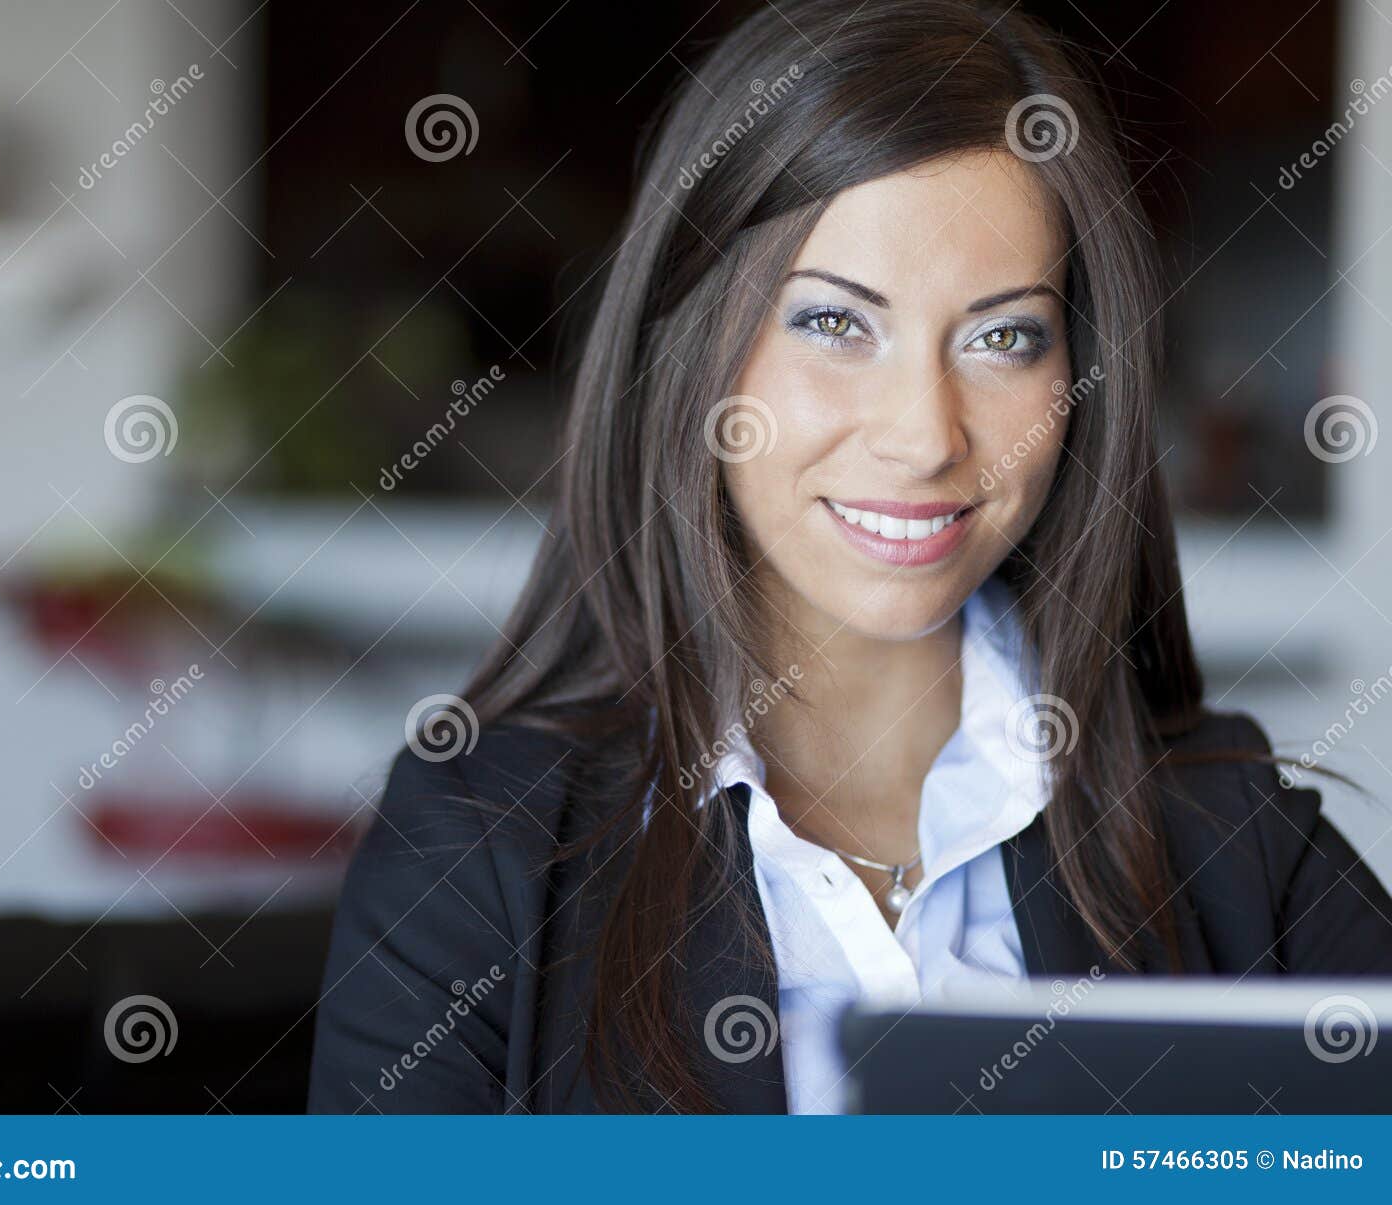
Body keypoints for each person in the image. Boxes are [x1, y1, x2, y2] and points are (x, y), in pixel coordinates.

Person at [309, 0, 1392, 1114]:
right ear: (692, 343)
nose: (924, 436)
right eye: (835, 323)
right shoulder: (479, 850)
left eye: (1004, 336)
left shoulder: (1229, 839)